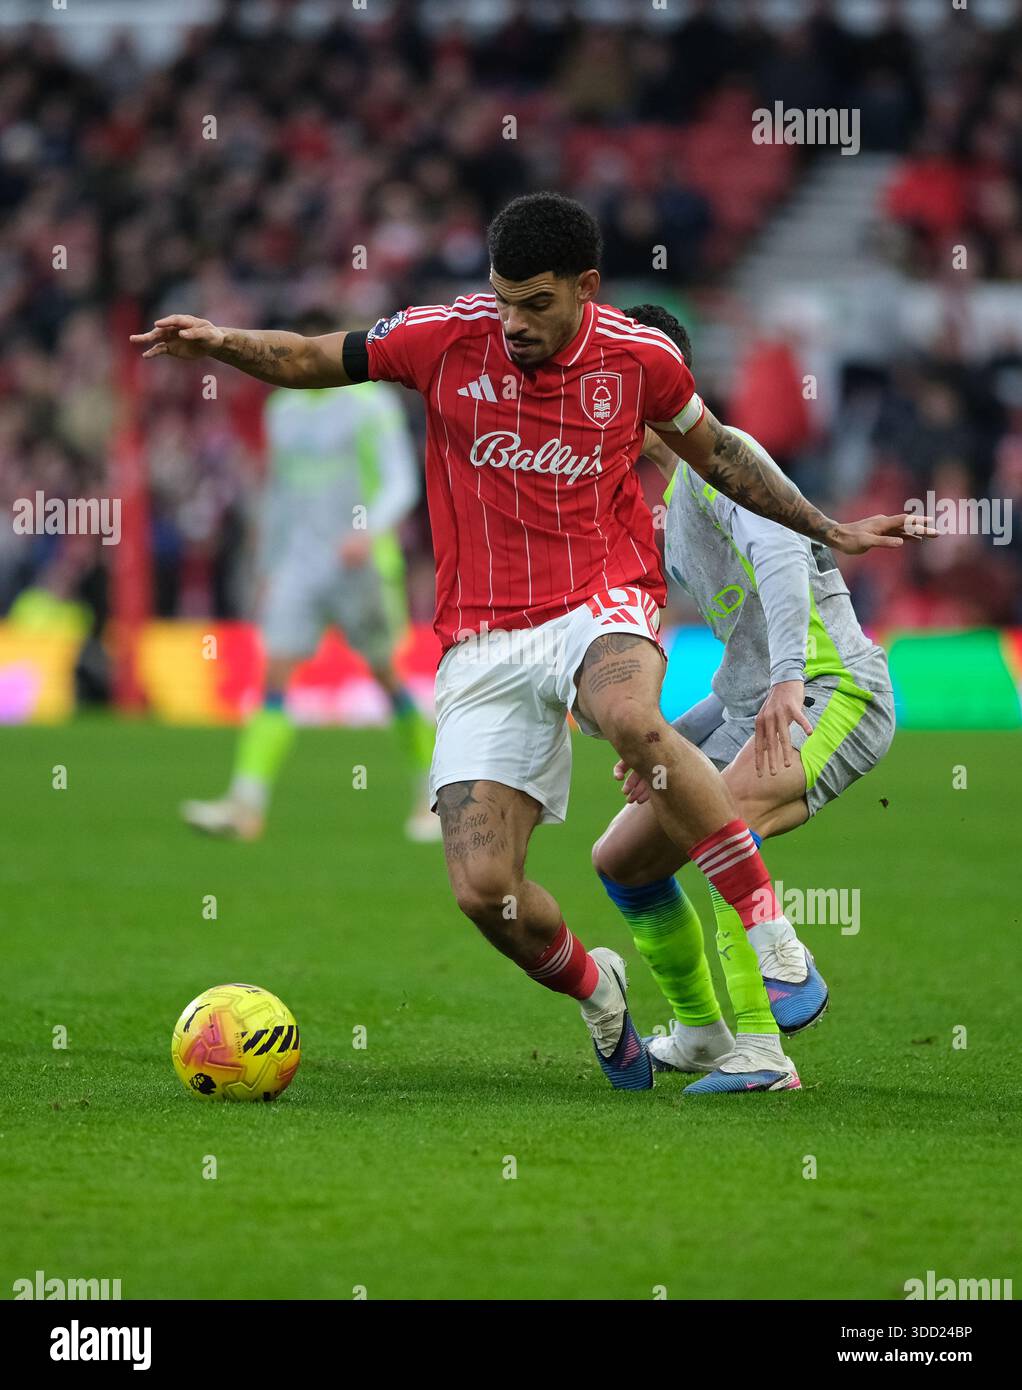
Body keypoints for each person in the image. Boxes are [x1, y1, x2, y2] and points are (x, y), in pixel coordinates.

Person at [132, 193, 927, 1093]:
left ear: (586, 288)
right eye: (503, 298)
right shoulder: (442, 337)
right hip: (481, 639)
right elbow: (316, 355)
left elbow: (729, 460)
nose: (512, 323)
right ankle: (605, 997)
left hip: (601, 601)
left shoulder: (641, 360)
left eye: (536, 303)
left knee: (631, 714)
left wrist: (826, 525)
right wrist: (223, 342)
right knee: (484, 890)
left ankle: (772, 946)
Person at [592, 305, 896, 1093]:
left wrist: (791, 675)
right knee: (622, 862)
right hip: (753, 704)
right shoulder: (669, 507)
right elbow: (739, 664)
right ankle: (700, 1032)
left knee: (723, 827)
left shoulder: (729, 462)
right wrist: (663, 740)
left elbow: (786, 555)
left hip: (832, 691)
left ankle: (763, 1054)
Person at [180, 309, 437, 843]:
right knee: (274, 676)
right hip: (299, 562)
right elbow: (279, 491)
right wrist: (268, 565)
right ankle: (246, 805)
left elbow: (400, 480)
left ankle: (433, 795)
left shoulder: (370, 401)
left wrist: (372, 530)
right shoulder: (284, 407)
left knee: (387, 677)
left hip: (360, 563)